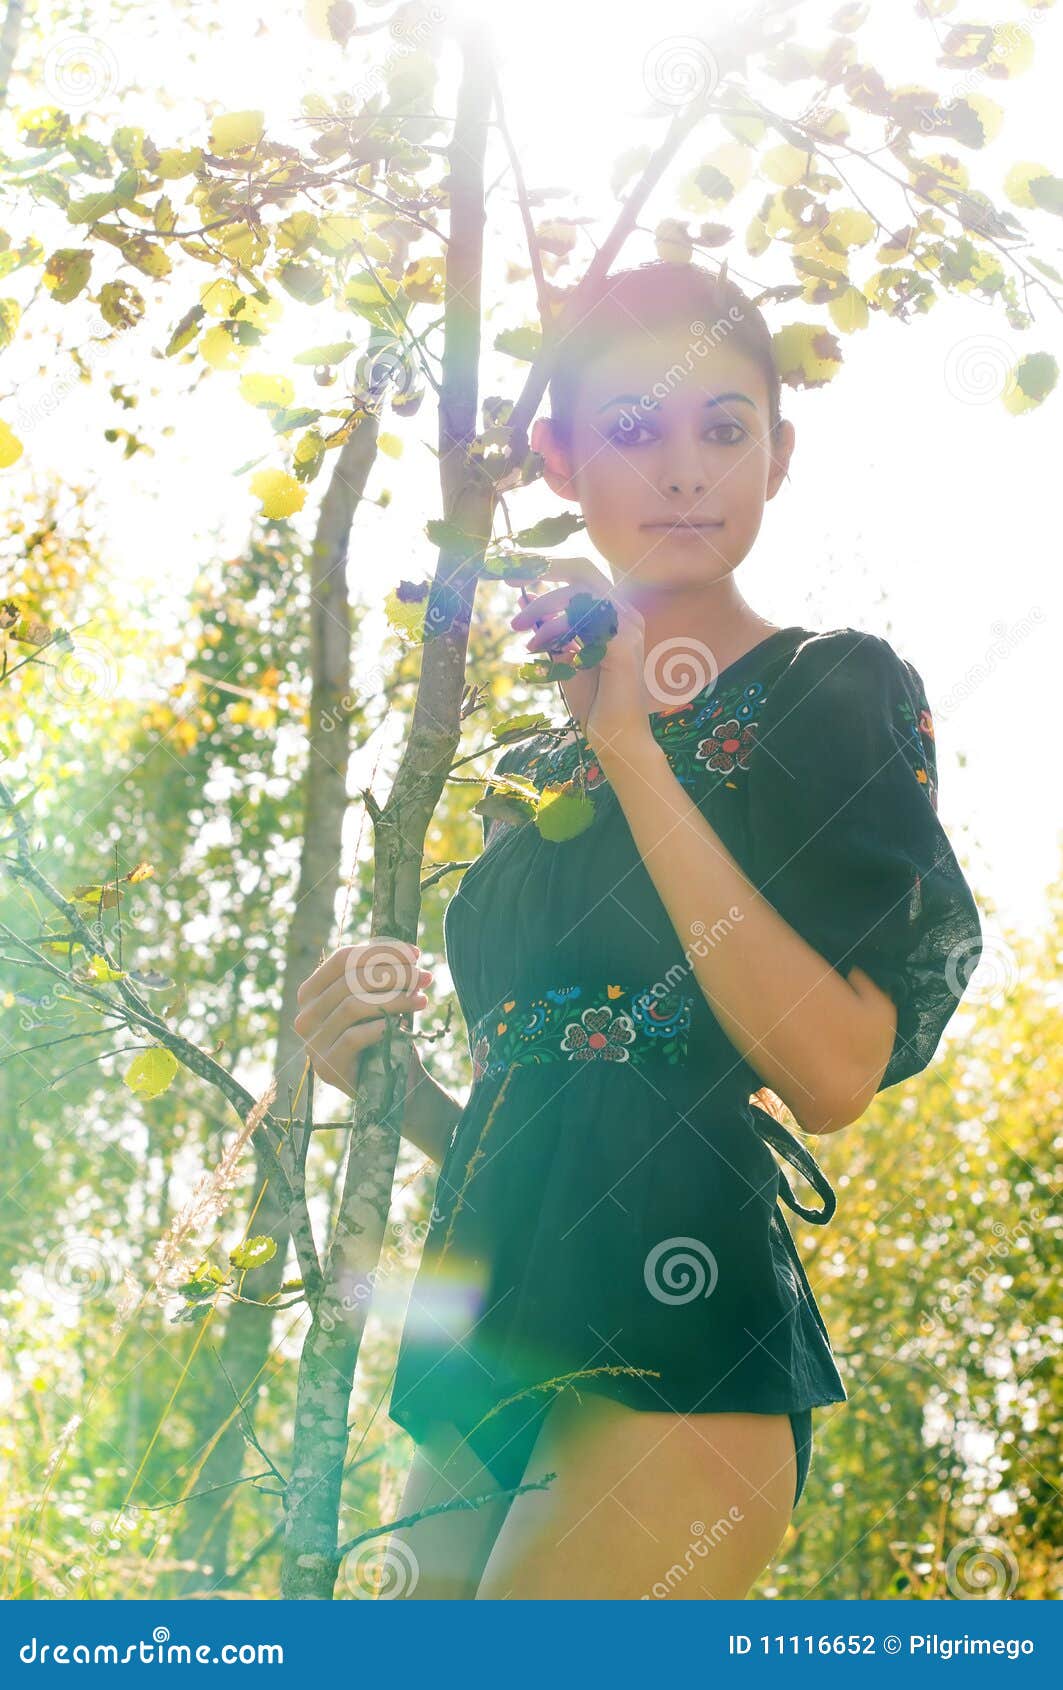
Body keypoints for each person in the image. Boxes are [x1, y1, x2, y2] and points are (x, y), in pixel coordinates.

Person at [295, 261, 984, 1600]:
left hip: (690, 1349)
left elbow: (834, 1070)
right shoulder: (526, 778)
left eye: (724, 429)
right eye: (633, 430)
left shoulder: (829, 691)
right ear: (558, 460)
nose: (683, 471)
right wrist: (394, 1085)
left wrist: (632, 744)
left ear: (779, 455)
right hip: (501, 1333)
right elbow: (564, 1108)